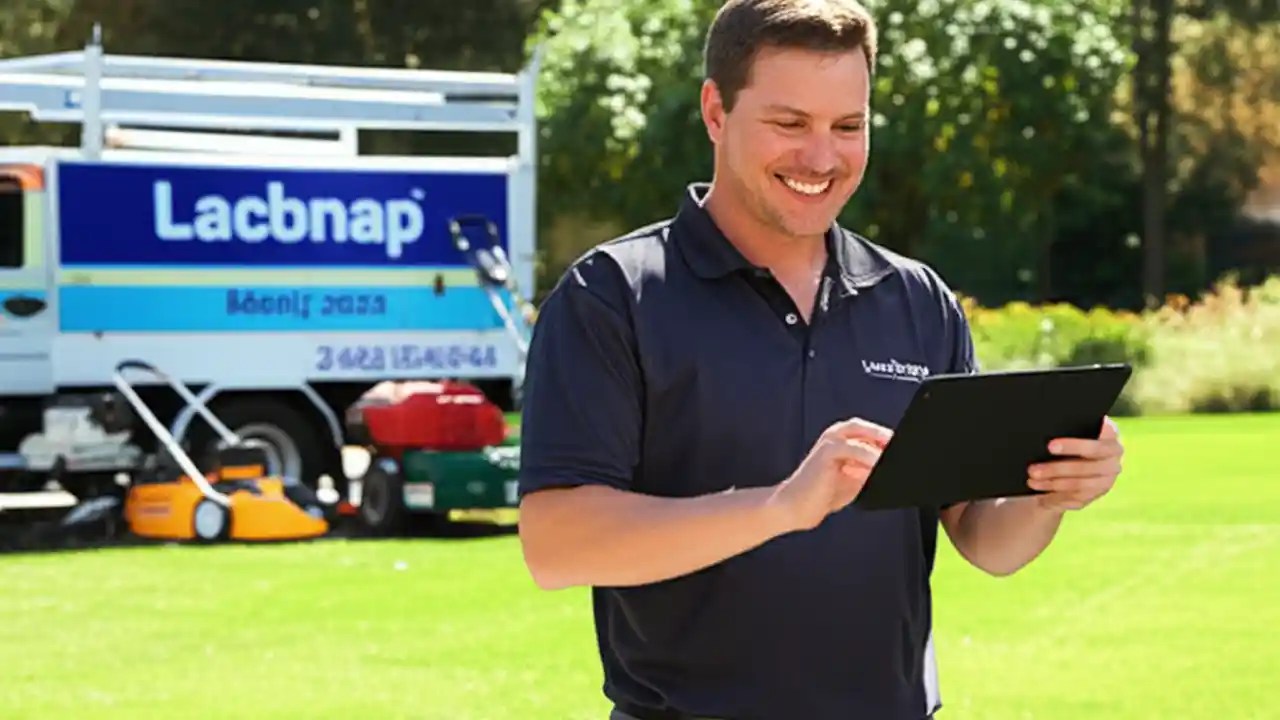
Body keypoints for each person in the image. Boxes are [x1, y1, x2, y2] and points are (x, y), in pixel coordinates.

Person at [515, 1, 1126, 719]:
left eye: (848, 127)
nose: (821, 158)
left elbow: (985, 539)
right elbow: (557, 546)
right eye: (789, 124)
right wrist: (778, 507)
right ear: (716, 112)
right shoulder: (613, 296)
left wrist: (1051, 488)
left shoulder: (915, 299)